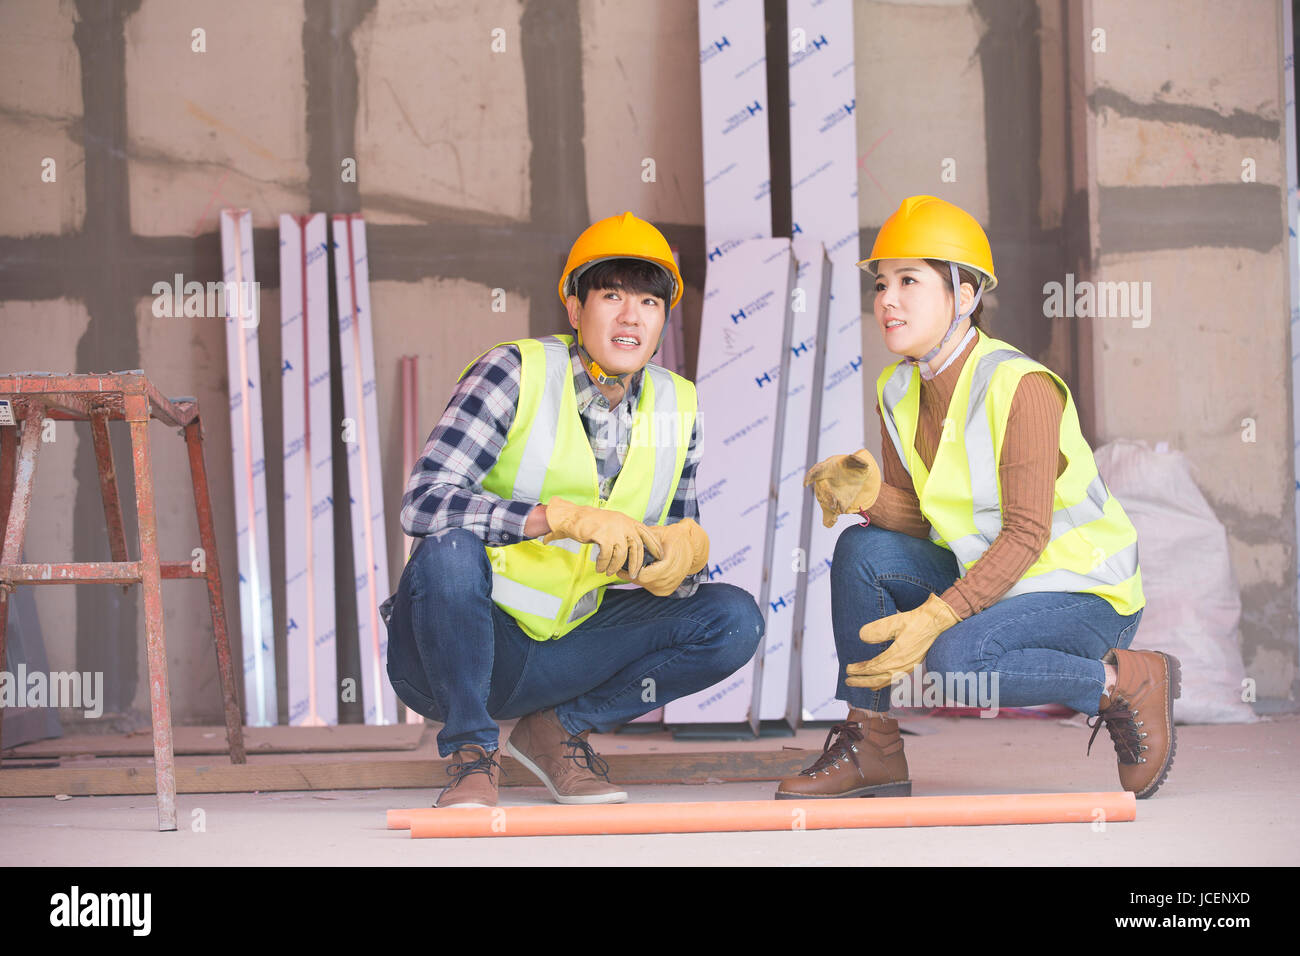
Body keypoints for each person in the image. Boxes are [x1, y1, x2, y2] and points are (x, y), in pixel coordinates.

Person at [776, 195, 1178, 801]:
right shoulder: (899, 388)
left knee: (957, 664)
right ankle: (872, 743)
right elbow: (926, 519)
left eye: (909, 280)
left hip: (1082, 592)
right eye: (882, 283)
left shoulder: (1020, 386)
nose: (886, 299)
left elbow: (1025, 534)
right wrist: (870, 498)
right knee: (862, 549)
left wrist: (938, 615)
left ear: (964, 295)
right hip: (994, 577)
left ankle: (1124, 681)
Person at [381, 211, 763, 809]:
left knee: (732, 620)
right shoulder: (514, 372)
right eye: (611, 295)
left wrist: (682, 557)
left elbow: (674, 560)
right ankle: (472, 753)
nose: (631, 316)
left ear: (664, 318)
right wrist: (554, 518)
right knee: (449, 548)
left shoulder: (677, 404)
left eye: (649, 302)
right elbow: (424, 503)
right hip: (461, 645)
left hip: (569, 647)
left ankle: (557, 732)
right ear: (574, 306)